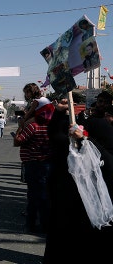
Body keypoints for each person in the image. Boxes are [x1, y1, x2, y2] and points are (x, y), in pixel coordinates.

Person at [43, 98, 113, 263]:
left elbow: (105, 161)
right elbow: (56, 138)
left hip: (91, 212)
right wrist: (59, 113)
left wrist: (84, 141)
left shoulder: (100, 146)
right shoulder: (70, 154)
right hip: (67, 208)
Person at [13, 99, 54, 233]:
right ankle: (45, 223)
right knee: (45, 195)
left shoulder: (33, 126)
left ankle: (31, 224)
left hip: (34, 164)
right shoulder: (53, 126)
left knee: (33, 195)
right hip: (48, 164)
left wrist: (21, 126)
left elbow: (18, 141)